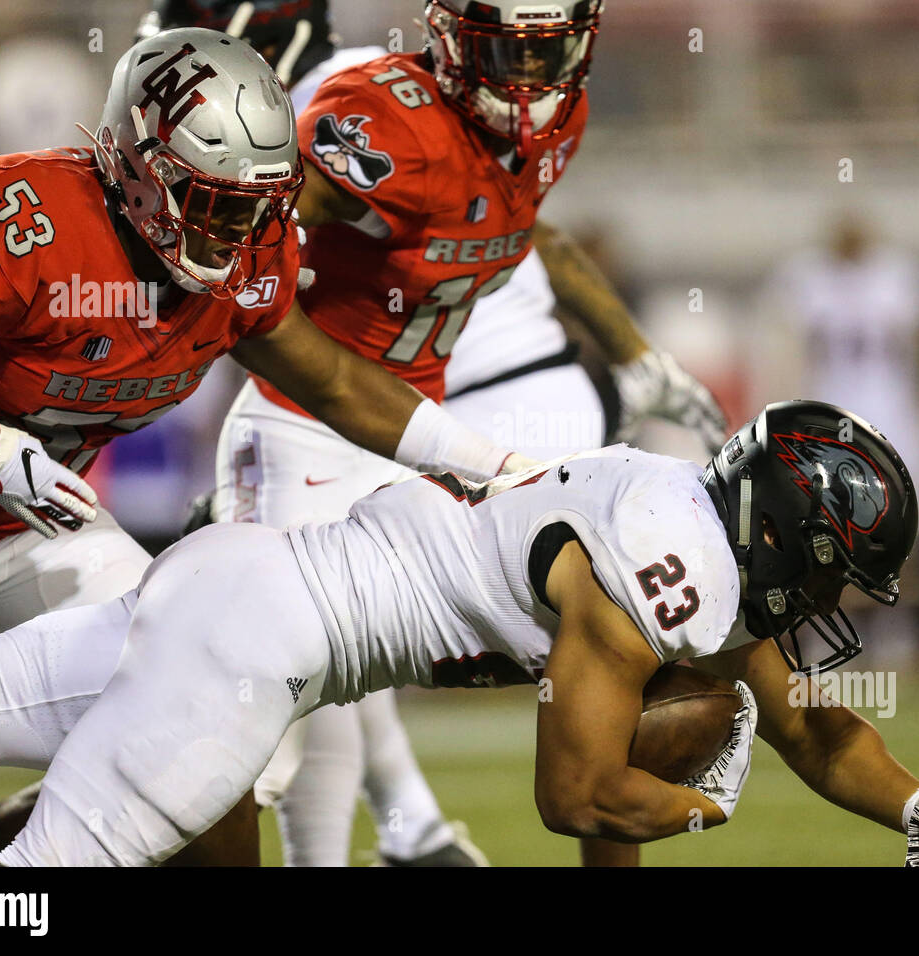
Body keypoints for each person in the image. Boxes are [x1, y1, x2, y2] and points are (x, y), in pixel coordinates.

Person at [0, 26, 532, 859]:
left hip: (26, 534)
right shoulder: (34, 227)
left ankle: (4, 831)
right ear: (138, 167)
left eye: (256, 202)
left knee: (199, 726)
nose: (238, 228)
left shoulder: (251, 250)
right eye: (214, 199)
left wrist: (498, 468)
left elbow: (335, 380)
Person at [0, 401, 919, 868]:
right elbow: (574, 797)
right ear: (790, 540)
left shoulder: (683, 523)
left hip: (239, 589)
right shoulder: (673, 581)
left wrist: (916, 806)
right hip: (255, 655)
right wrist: (703, 801)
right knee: (12, 905)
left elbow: (803, 725)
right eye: (831, 577)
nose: (828, 607)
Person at [140, 0, 723, 867]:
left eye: (548, 50)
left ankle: (404, 836)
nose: (529, 80)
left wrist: (632, 353)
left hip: (421, 436)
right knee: (245, 713)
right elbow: (249, 229)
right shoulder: (379, 120)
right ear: (453, 40)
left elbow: (534, 237)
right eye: (506, 51)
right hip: (313, 425)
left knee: (604, 648)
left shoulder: (558, 123)